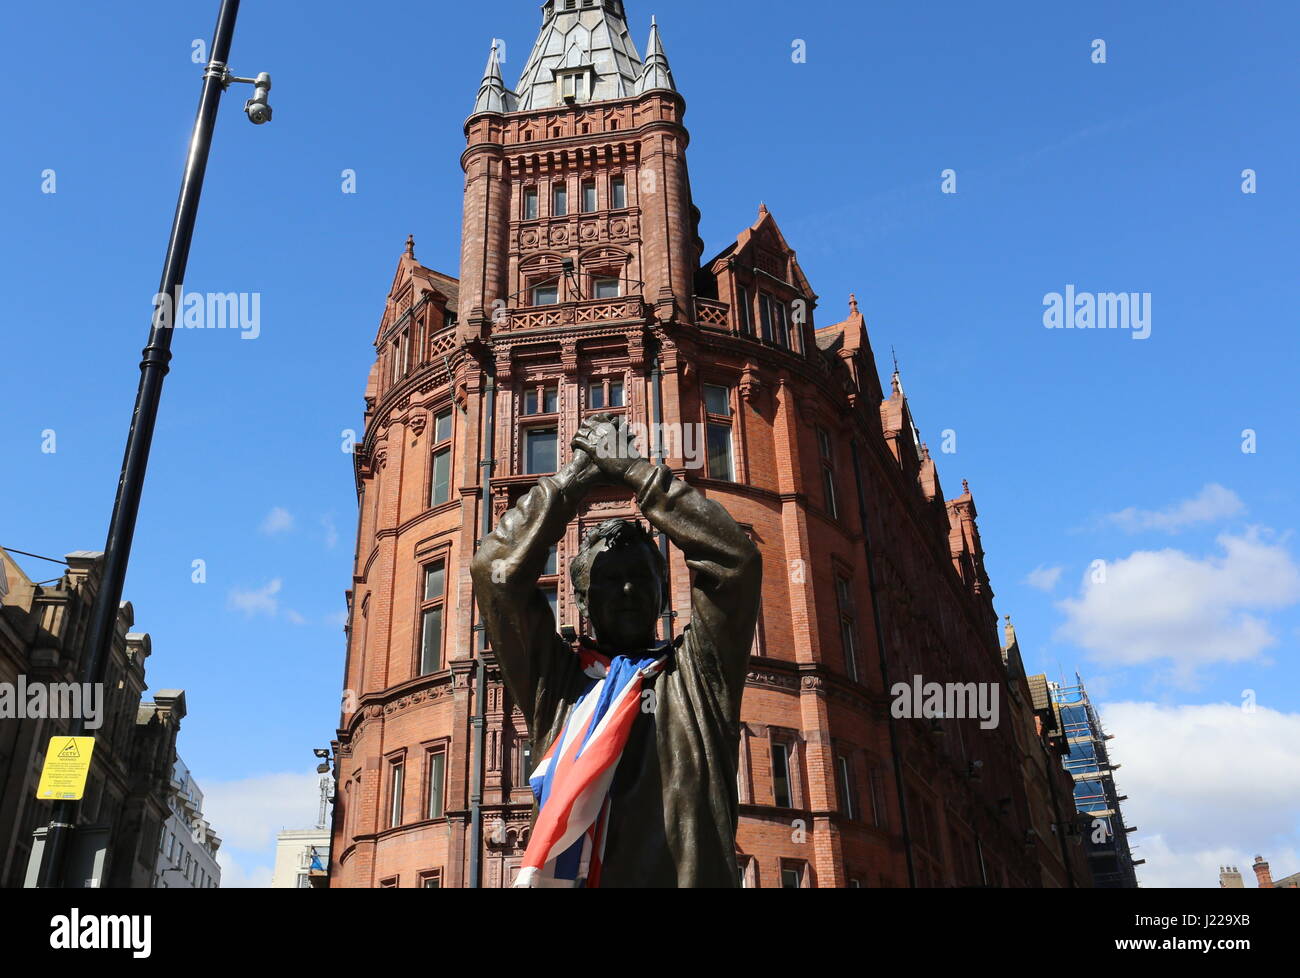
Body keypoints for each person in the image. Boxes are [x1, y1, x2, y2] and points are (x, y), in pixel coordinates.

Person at [471, 414, 761, 887]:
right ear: (582, 600)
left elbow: (736, 562)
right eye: (609, 580)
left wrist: (636, 473)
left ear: (664, 595)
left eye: (640, 578)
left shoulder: (698, 677)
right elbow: (495, 570)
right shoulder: (559, 686)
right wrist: (575, 479)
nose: (626, 589)